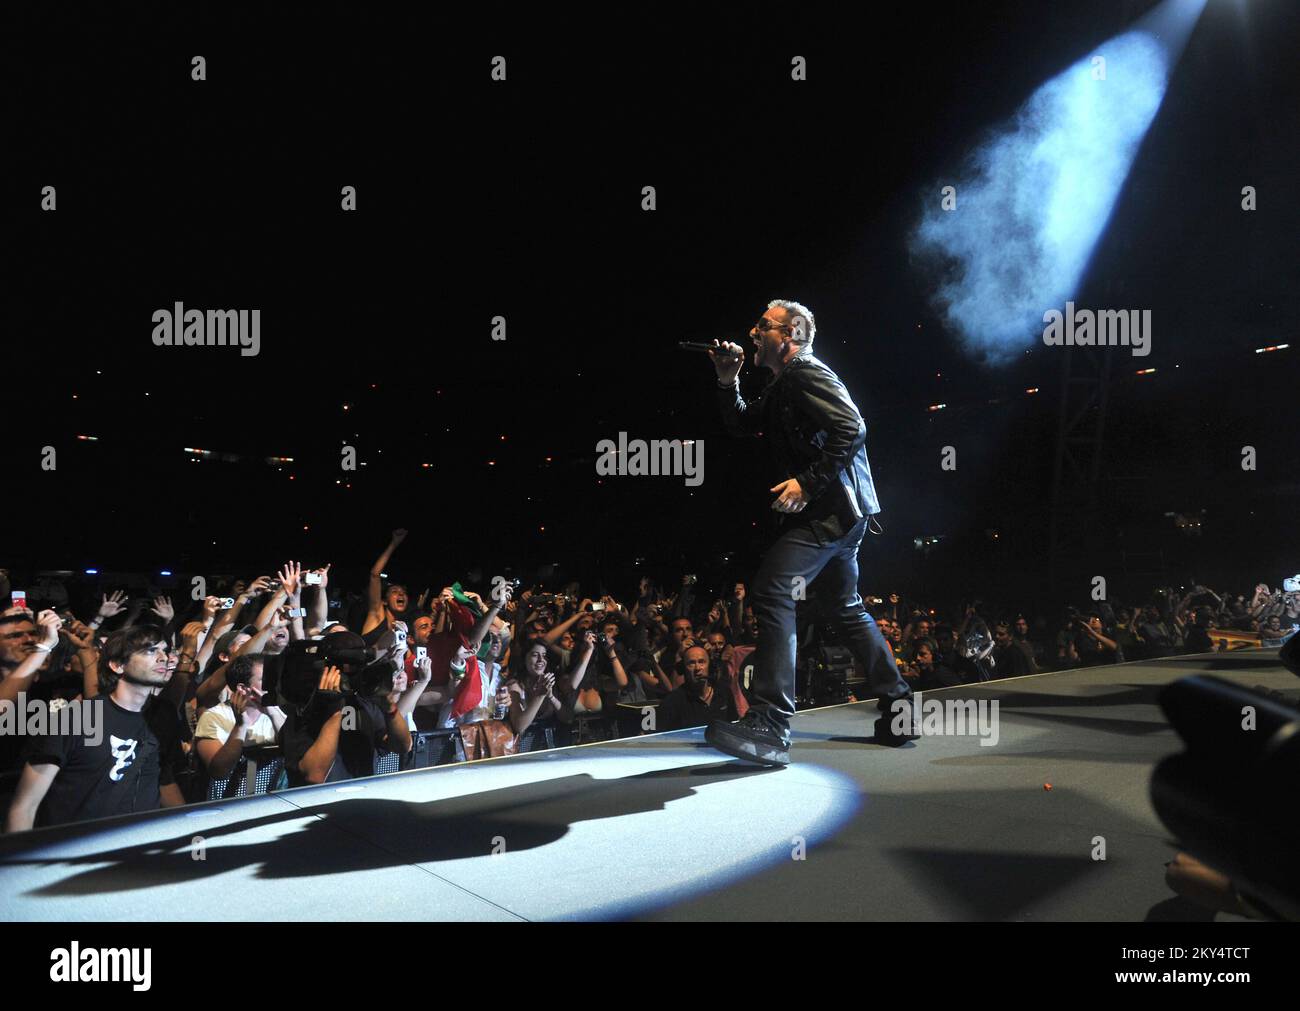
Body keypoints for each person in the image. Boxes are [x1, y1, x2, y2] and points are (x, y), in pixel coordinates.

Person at [703, 300, 915, 766]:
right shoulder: (785, 383)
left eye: (763, 326)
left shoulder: (803, 372)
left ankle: (771, 723)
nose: (753, 331)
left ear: (791, 334)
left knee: (774, 589)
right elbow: (741, 423)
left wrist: (809, 481)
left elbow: (852, 426)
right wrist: (727, 378)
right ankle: (898, 705)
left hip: (829, 513)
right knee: (843, 603)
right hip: (844, 514)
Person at [6, 624, 183, 831]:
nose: (164, 657)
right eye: (150, 650)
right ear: (118, 665)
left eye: (165, 650)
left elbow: (163, 782)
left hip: (137, 853)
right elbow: (24, 807)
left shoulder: (163, 716)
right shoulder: (77, 718)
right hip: (76, 851)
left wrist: (191, 828)